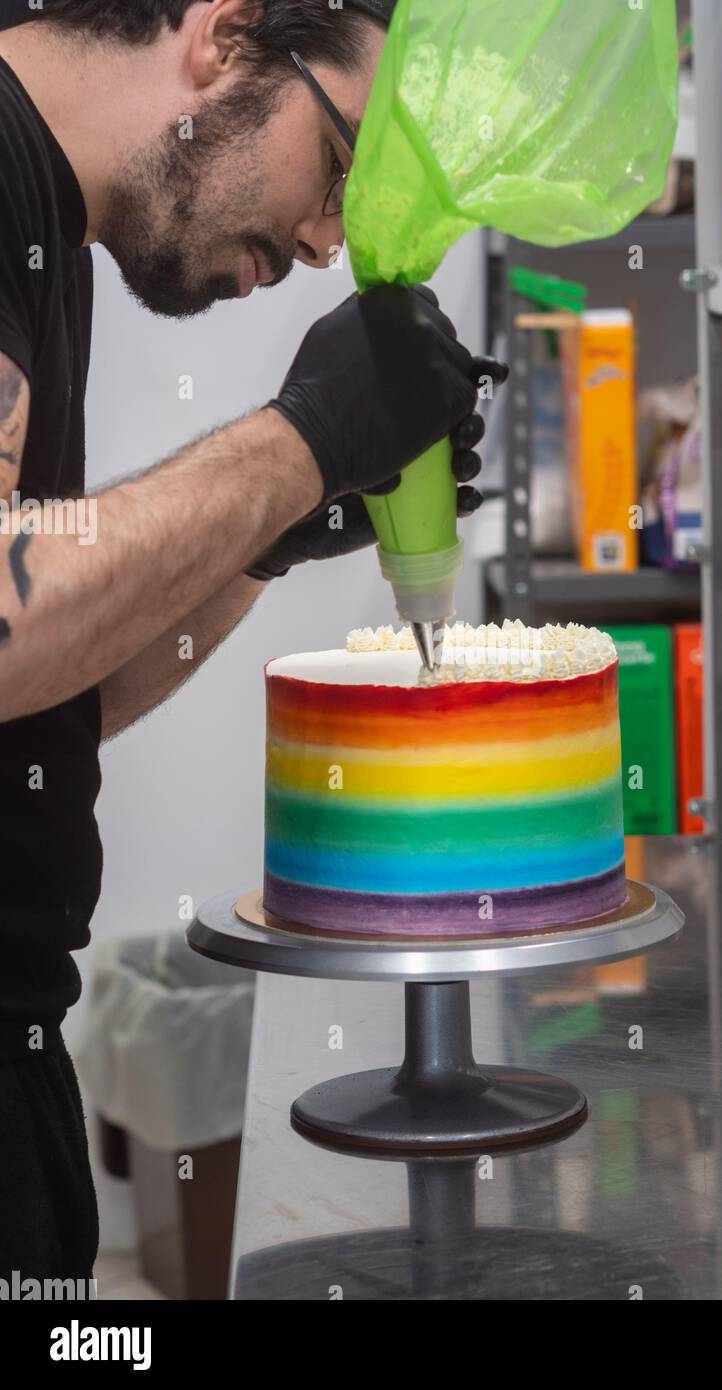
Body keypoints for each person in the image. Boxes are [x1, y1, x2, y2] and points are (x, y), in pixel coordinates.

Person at [0, 0, 505, 1280]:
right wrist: (301, 436)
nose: (327, 244)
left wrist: (276, 529)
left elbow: (48, 690)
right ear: (226, 37)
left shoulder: (49, 221)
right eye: (337, 167)